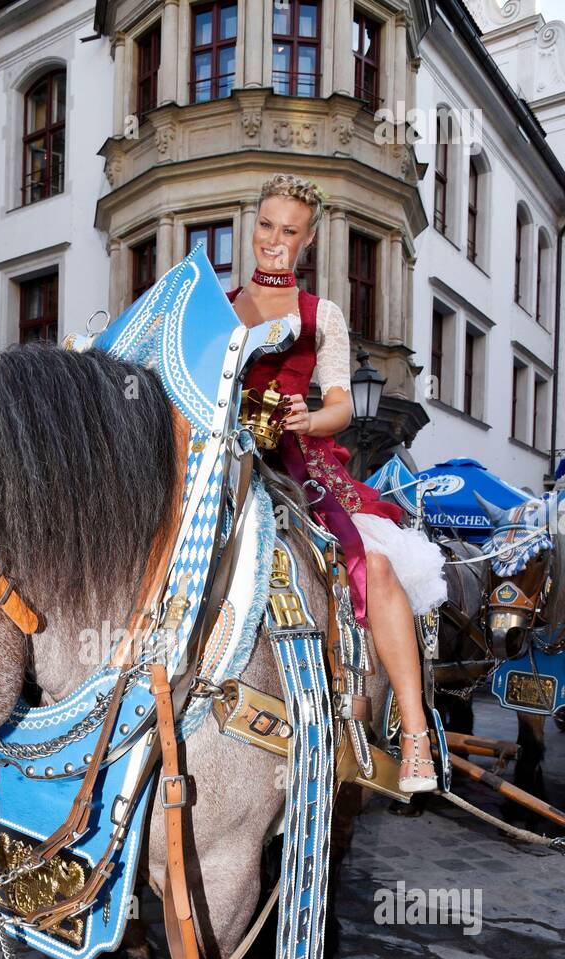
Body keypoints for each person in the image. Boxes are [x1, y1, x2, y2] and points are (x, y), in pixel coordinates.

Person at [228, 173, 447, 794]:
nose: (274, 240)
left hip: (299, 459)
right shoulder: (217, 305)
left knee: (371, 565)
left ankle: (413, 733)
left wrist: (306, 417)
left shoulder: (320, 314)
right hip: (225, 455)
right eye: (266, 225)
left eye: (289, 231)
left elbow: (343, 407)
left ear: (308, 239)